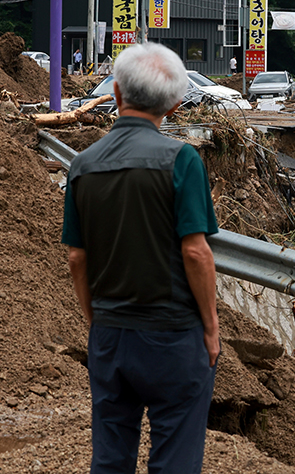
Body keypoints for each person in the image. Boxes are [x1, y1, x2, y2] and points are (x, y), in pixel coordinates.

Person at [62, 42, 220, 474]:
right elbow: (196, 251)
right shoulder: (181, 160)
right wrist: (210, 329)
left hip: (110, 334)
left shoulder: (83, 165)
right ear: (174, 104)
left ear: (116, 93)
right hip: (173, 335)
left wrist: (96, 320)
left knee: (110, 457)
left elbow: (77, 258)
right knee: (175, 458)